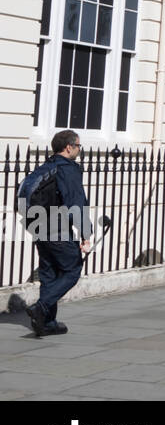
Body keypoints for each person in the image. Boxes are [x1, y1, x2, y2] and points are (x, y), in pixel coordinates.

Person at [24, 129, 93, 337]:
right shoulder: (67, 169)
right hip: (56, 227)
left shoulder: (47, 166)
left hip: (37, 226)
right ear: (69, 147)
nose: (80, 150)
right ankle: (41, 307)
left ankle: (47, 323)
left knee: (49, 273)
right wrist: (86, 234)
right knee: (72, 269)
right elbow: (76, 204)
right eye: (79, 146)